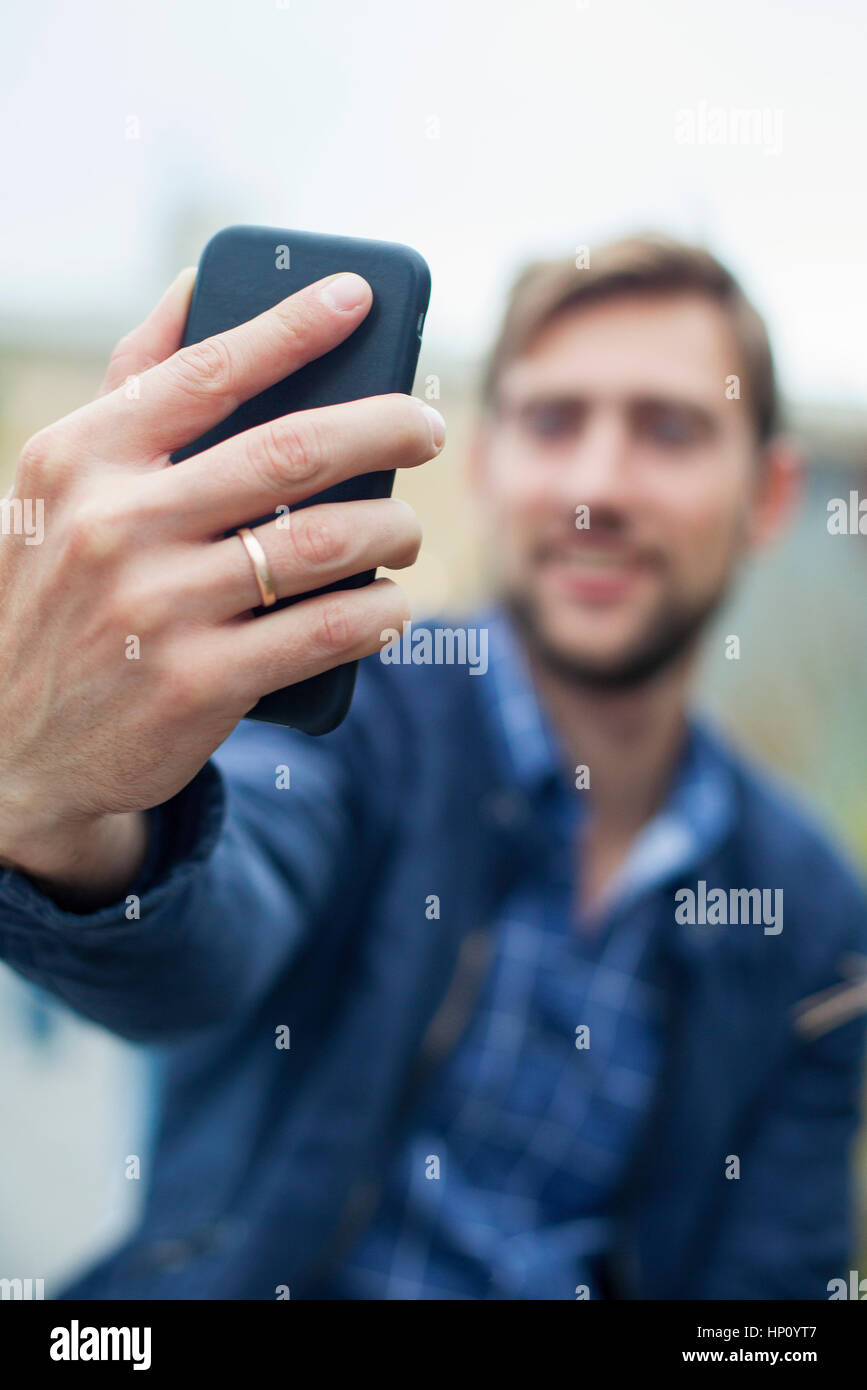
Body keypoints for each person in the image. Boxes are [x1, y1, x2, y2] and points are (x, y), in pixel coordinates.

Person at [0, 236, 864, 1300]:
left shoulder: (813, 909)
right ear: (492, 460)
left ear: (770, 495)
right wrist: (51, 813)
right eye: (555, 421)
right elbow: (205, 934)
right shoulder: (351, 720)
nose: (598, 484)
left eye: (670, 430)